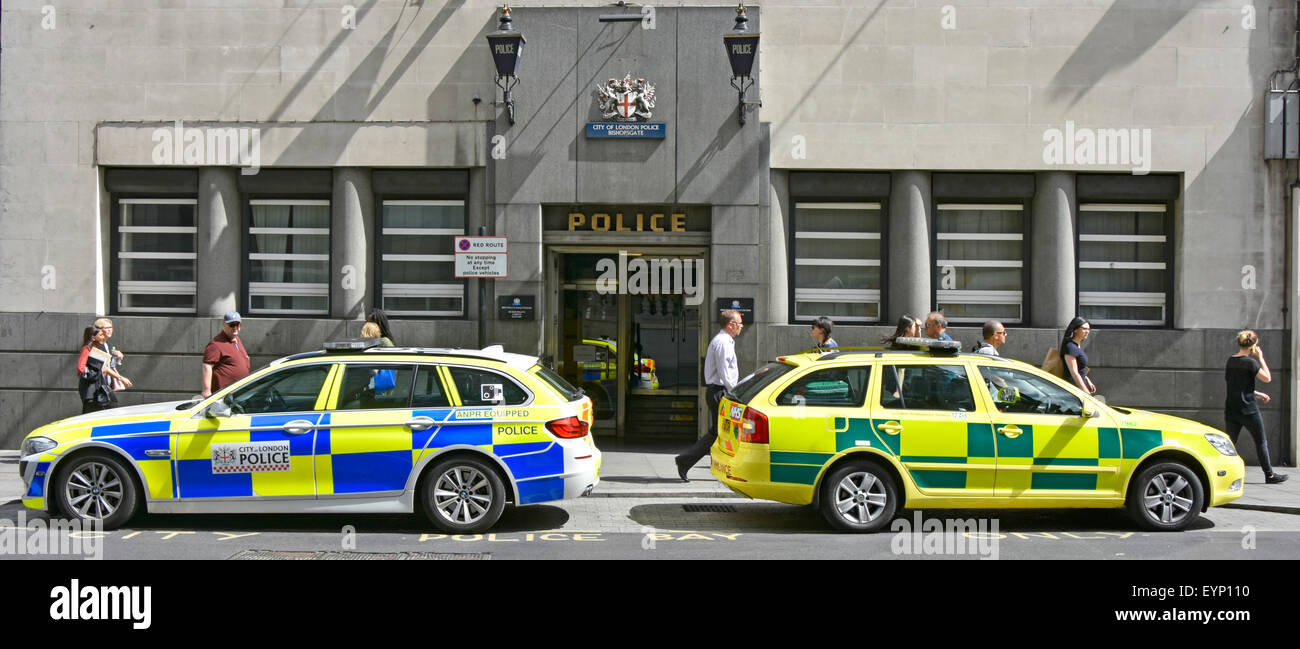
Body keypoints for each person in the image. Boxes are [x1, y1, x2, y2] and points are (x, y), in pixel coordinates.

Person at [675, 309, 742, 481]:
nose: (741, 327)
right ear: (731, 325)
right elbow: (724, 371)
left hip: (720, 391)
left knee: (721, 432)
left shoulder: (724, 341)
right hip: (720, 392)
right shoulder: (723, 343)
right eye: (739, 324)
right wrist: (735, 392)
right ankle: (685, 461)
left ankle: (692, 462)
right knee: (719, 433)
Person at [1225, 331, 1288, 484]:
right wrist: (1261, 357)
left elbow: (1236, 386)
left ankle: (1222, 474)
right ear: (1253, 347)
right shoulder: (1250, 362)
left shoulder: (1230, 361)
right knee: (1260, 441)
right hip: (1249, 410)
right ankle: (1270, 475)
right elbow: (1267, 378)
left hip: (1232, 410)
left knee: (1229, 444)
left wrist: (1257, 393)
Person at [201, 311, 251, 398]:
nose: (235, 327)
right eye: (232, 325)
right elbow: (207, 366)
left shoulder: (237, 340)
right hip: (223, 397)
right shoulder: (216, 344)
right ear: (224, 324)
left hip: (238, 394)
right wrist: (206, 390)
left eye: (238, 324)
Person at [77, 325, 121, 413]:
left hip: (100, 384)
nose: (103, 337)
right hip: (91, 388)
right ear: (93, 338)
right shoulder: (87, 349)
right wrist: (97, 371)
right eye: (101, 335)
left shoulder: (97, 348)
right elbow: (81, 368)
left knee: (112, 405)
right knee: (92, 410)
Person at [1060, 316, 1096, 394]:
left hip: (1078, 387)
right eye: (1084, 329)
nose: (1087, 331)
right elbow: (1074, 373)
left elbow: (1080, 368)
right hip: (1073, 389)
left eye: (1088, 329)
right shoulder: (1070, 347)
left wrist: (1087, 380)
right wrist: (1085, 392)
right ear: (1075, 329)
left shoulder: (1077, 346)